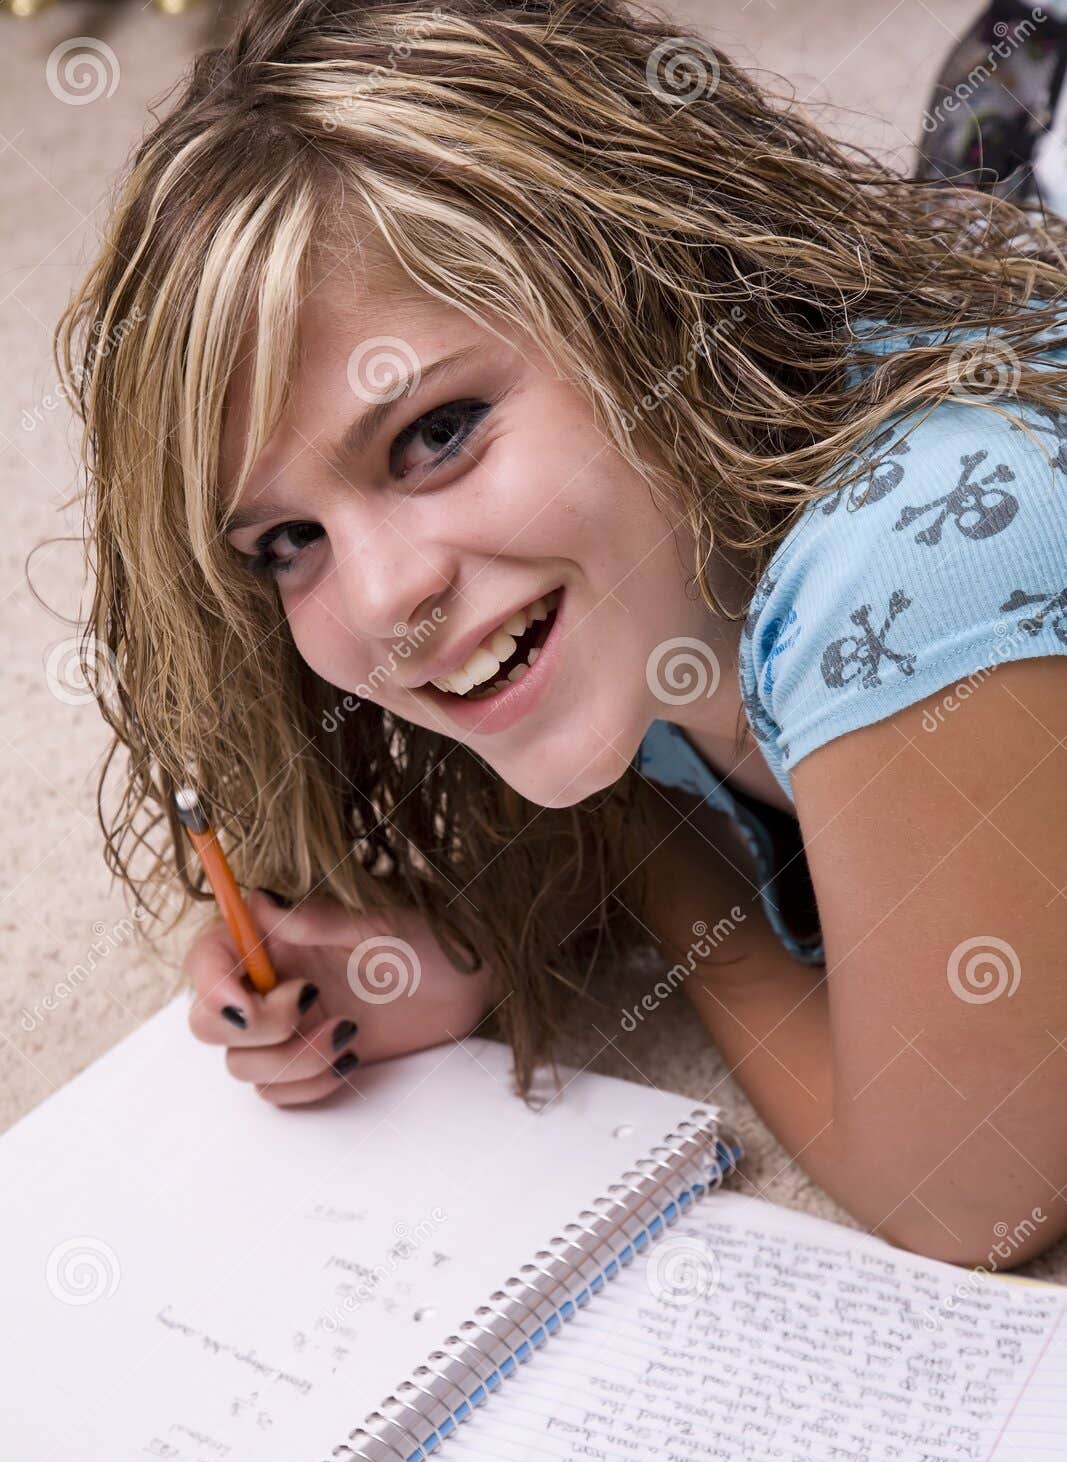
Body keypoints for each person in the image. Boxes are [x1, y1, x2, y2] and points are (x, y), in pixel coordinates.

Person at [58, 0, 1067, 1268]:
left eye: (433, 433)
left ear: (652, 289)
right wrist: (478, 939)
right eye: (284, 542)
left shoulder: (918, 551)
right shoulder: (631, 590)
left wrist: (656, 869)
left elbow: (972, 1191)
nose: (378, 601)